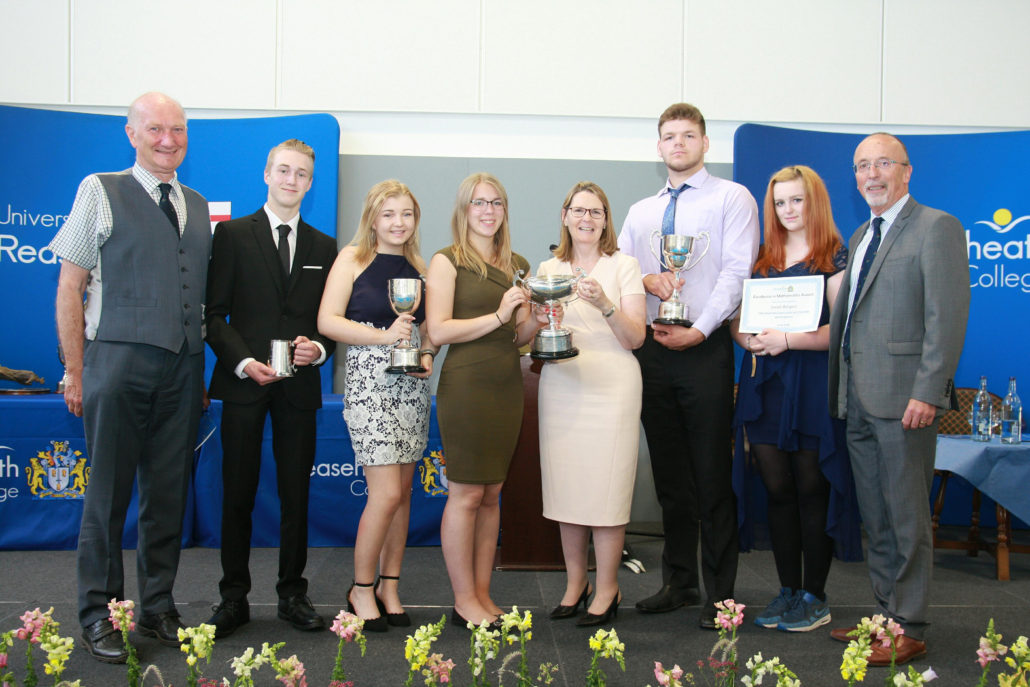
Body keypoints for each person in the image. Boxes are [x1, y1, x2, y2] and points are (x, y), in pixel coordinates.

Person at [49, 92, 211, 662]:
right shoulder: (101, 188)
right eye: (156, 129)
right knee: (108, 496)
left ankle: (158, 607)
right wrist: (75, 369)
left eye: (178, 130)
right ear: (131, 133)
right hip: (116, 363)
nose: (168, 139)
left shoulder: (194, 202)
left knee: (167, 496)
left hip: (184, 369)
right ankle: (99, 614)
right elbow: (70, 285)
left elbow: (196, 293)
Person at [827, 133, 970, 664]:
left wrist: (929, 391)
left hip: (906, 400)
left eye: (883, 163)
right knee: (877, 516)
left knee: (907, 516)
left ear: (906, 171)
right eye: (862, 165)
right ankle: (885, 616)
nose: (871, 174)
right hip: (859, 399)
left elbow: (946, 318)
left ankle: (909, 624)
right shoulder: (864, 232)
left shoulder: (937, 227)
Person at [617, 102, 759, 629]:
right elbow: (622, 269)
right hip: (651, 351)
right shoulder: (640, 212)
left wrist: (699, 329)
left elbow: (737, 272)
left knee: (711, 476)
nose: (678, 144)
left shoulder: (732, 198)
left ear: (704, 144)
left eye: (688, 136)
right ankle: (679, 582)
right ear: (658, 147)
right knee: (671, 478)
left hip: (704, 349)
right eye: (669, 137)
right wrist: (646, 282)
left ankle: (721, 597)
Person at [204, 139, 337, 637]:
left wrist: (318, 350)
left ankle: (292, 593)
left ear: (309, 181)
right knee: (236, 492)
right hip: (243, 386)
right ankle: (232, 598)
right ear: (266, 174)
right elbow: (214, 316)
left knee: (295, 494)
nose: (291, 180)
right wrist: (242, 362)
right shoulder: (233, 235)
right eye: (283, 170)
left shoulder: (326, 247)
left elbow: (329, 322)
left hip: (298, 389)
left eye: (301, 173)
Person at [729, 165, 861, 633]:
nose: (787, 210)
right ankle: (787, 592)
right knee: (778, 493)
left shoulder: (836, 257)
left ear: (815, 203)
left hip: (809, 388)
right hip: (766, 388)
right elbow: (740, 322)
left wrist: (787, 339)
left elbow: (841, 332)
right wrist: (752, 342)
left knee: (811, 491)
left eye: (796, 201)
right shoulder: (763, 259)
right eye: (780, 202)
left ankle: (815, 596)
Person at [317, 180, 435, 632]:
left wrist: (425, 355)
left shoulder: (420, 265)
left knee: (402, 496)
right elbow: (327, 320)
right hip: (369, 382)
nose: (398, 222)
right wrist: (382, 337)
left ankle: (389, 585)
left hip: (411, 387)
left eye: (406, 214)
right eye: (388, 214)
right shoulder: (352, 259)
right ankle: (360, 589)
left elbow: (427, 330)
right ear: (372, 217)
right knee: (384, 494)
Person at [426, 172, 541, 629]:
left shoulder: (518, 263)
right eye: (479, 202)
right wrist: (497, 312)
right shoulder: (445, 260)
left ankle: (482, 594)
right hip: (467, 385)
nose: (488, 211)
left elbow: (520, 339)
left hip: (506, 385)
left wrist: (541, 312)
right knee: (466, 493)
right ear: (463, 210)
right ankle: (461, 599)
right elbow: (438, 331)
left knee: (493, 494)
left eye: (496, 202)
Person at [536, 182, 646, 627]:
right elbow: (531, 328)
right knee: (568, 488)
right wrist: (539, 316)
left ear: (606, 219)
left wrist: (604, 303)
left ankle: (607, 589)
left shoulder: (625, 265)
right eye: (579, 210)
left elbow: (636, 337)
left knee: (607, 490)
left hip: (613, 386)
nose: (587, 219)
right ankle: (574, 583)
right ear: (564, 215)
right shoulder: (548, 266)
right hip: (562, 384)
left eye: (596, 212)